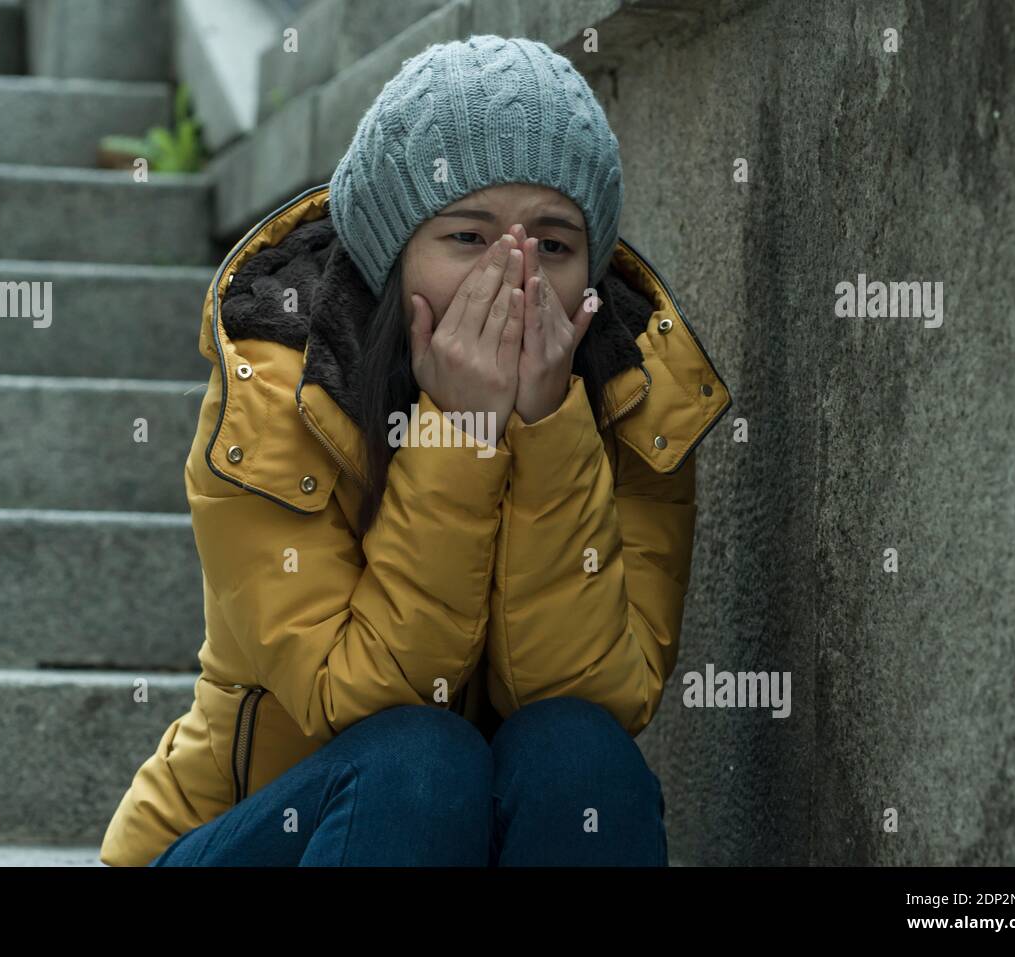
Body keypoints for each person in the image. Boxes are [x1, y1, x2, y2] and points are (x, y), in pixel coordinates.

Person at [99, 33, 731, 868]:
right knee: (422, 761)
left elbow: (598, 692)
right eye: (468, 237)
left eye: (553, 243)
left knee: (580, 753)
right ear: (393, 257)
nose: (513, 277)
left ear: (592, 269)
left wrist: (547, 433)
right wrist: (460, 435)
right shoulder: (277, 385)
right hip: (259, 833)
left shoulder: (634, 397)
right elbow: (352, 697)